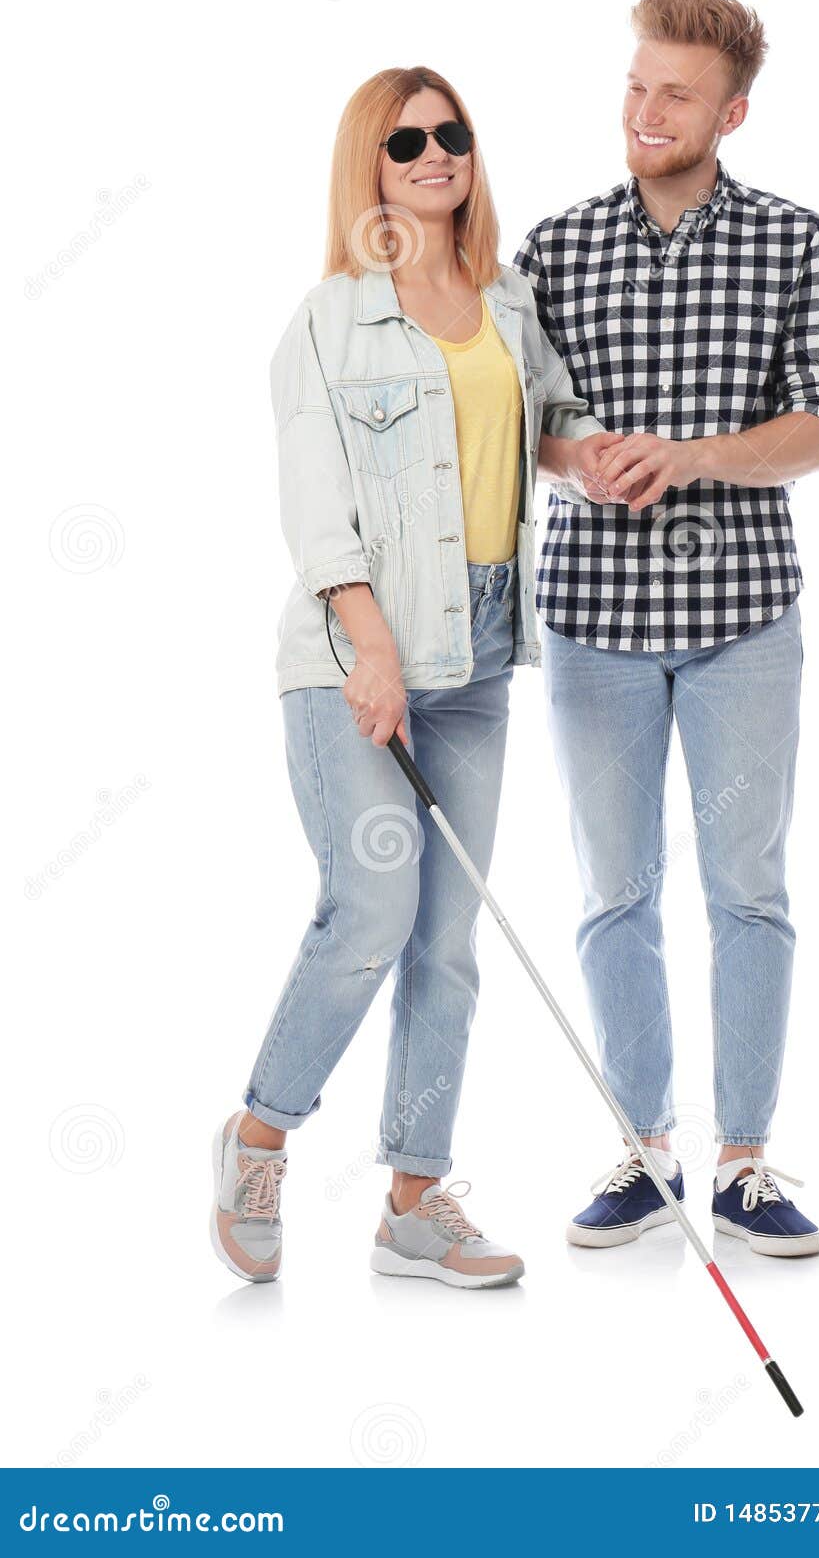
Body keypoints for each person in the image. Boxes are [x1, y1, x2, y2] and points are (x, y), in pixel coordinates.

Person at [211, 67, 606, 1288]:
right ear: (370, 169)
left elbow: (547, 425)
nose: (436, 154)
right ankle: (262, 1132)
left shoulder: (505, 296)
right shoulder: (329, 320)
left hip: (479, 657)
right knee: (372, 910)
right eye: (407, 140)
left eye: (453, 134)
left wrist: (598, 457)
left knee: (447, 938)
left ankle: (415, 1200)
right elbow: (314, 507)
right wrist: (369, 646)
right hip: (351, 657)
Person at [516, 0, 819, 1257]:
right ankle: (644, 1150)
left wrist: (697, 455)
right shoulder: (553, 248)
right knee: (615, 892)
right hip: (595, 622)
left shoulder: (794, 242)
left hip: (741, 624)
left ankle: (745, 1163)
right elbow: (522, 429)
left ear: (731, 111)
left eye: (674, 94)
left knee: (747, 890)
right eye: (635, 85)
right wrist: (577, 455)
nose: (645, 112)